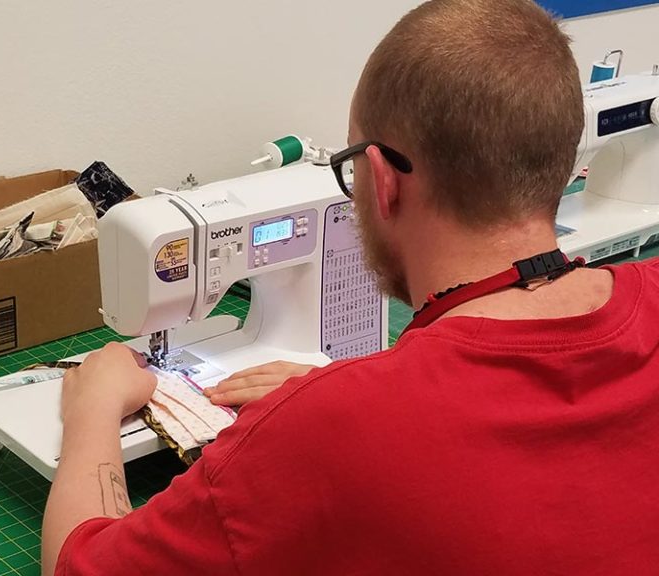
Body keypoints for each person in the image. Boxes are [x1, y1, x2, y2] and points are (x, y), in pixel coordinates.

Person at [42, 0, 659, 573]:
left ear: (384, 180)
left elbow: (78, 567)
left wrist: (94, 407)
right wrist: (357, 399)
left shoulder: (328, 432)